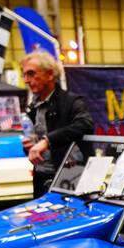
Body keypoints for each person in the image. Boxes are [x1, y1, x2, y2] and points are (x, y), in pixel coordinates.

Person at [21, 51, 93, 198]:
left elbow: (85, 124)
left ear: (50, 74)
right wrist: (31, 146)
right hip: (41, 176)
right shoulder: (33, 106)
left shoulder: (72, 101)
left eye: (31, 74)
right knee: (43, 218)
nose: (26, 80)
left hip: (71, 171)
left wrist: (46, 141)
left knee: (70, 217)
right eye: (24, 75)